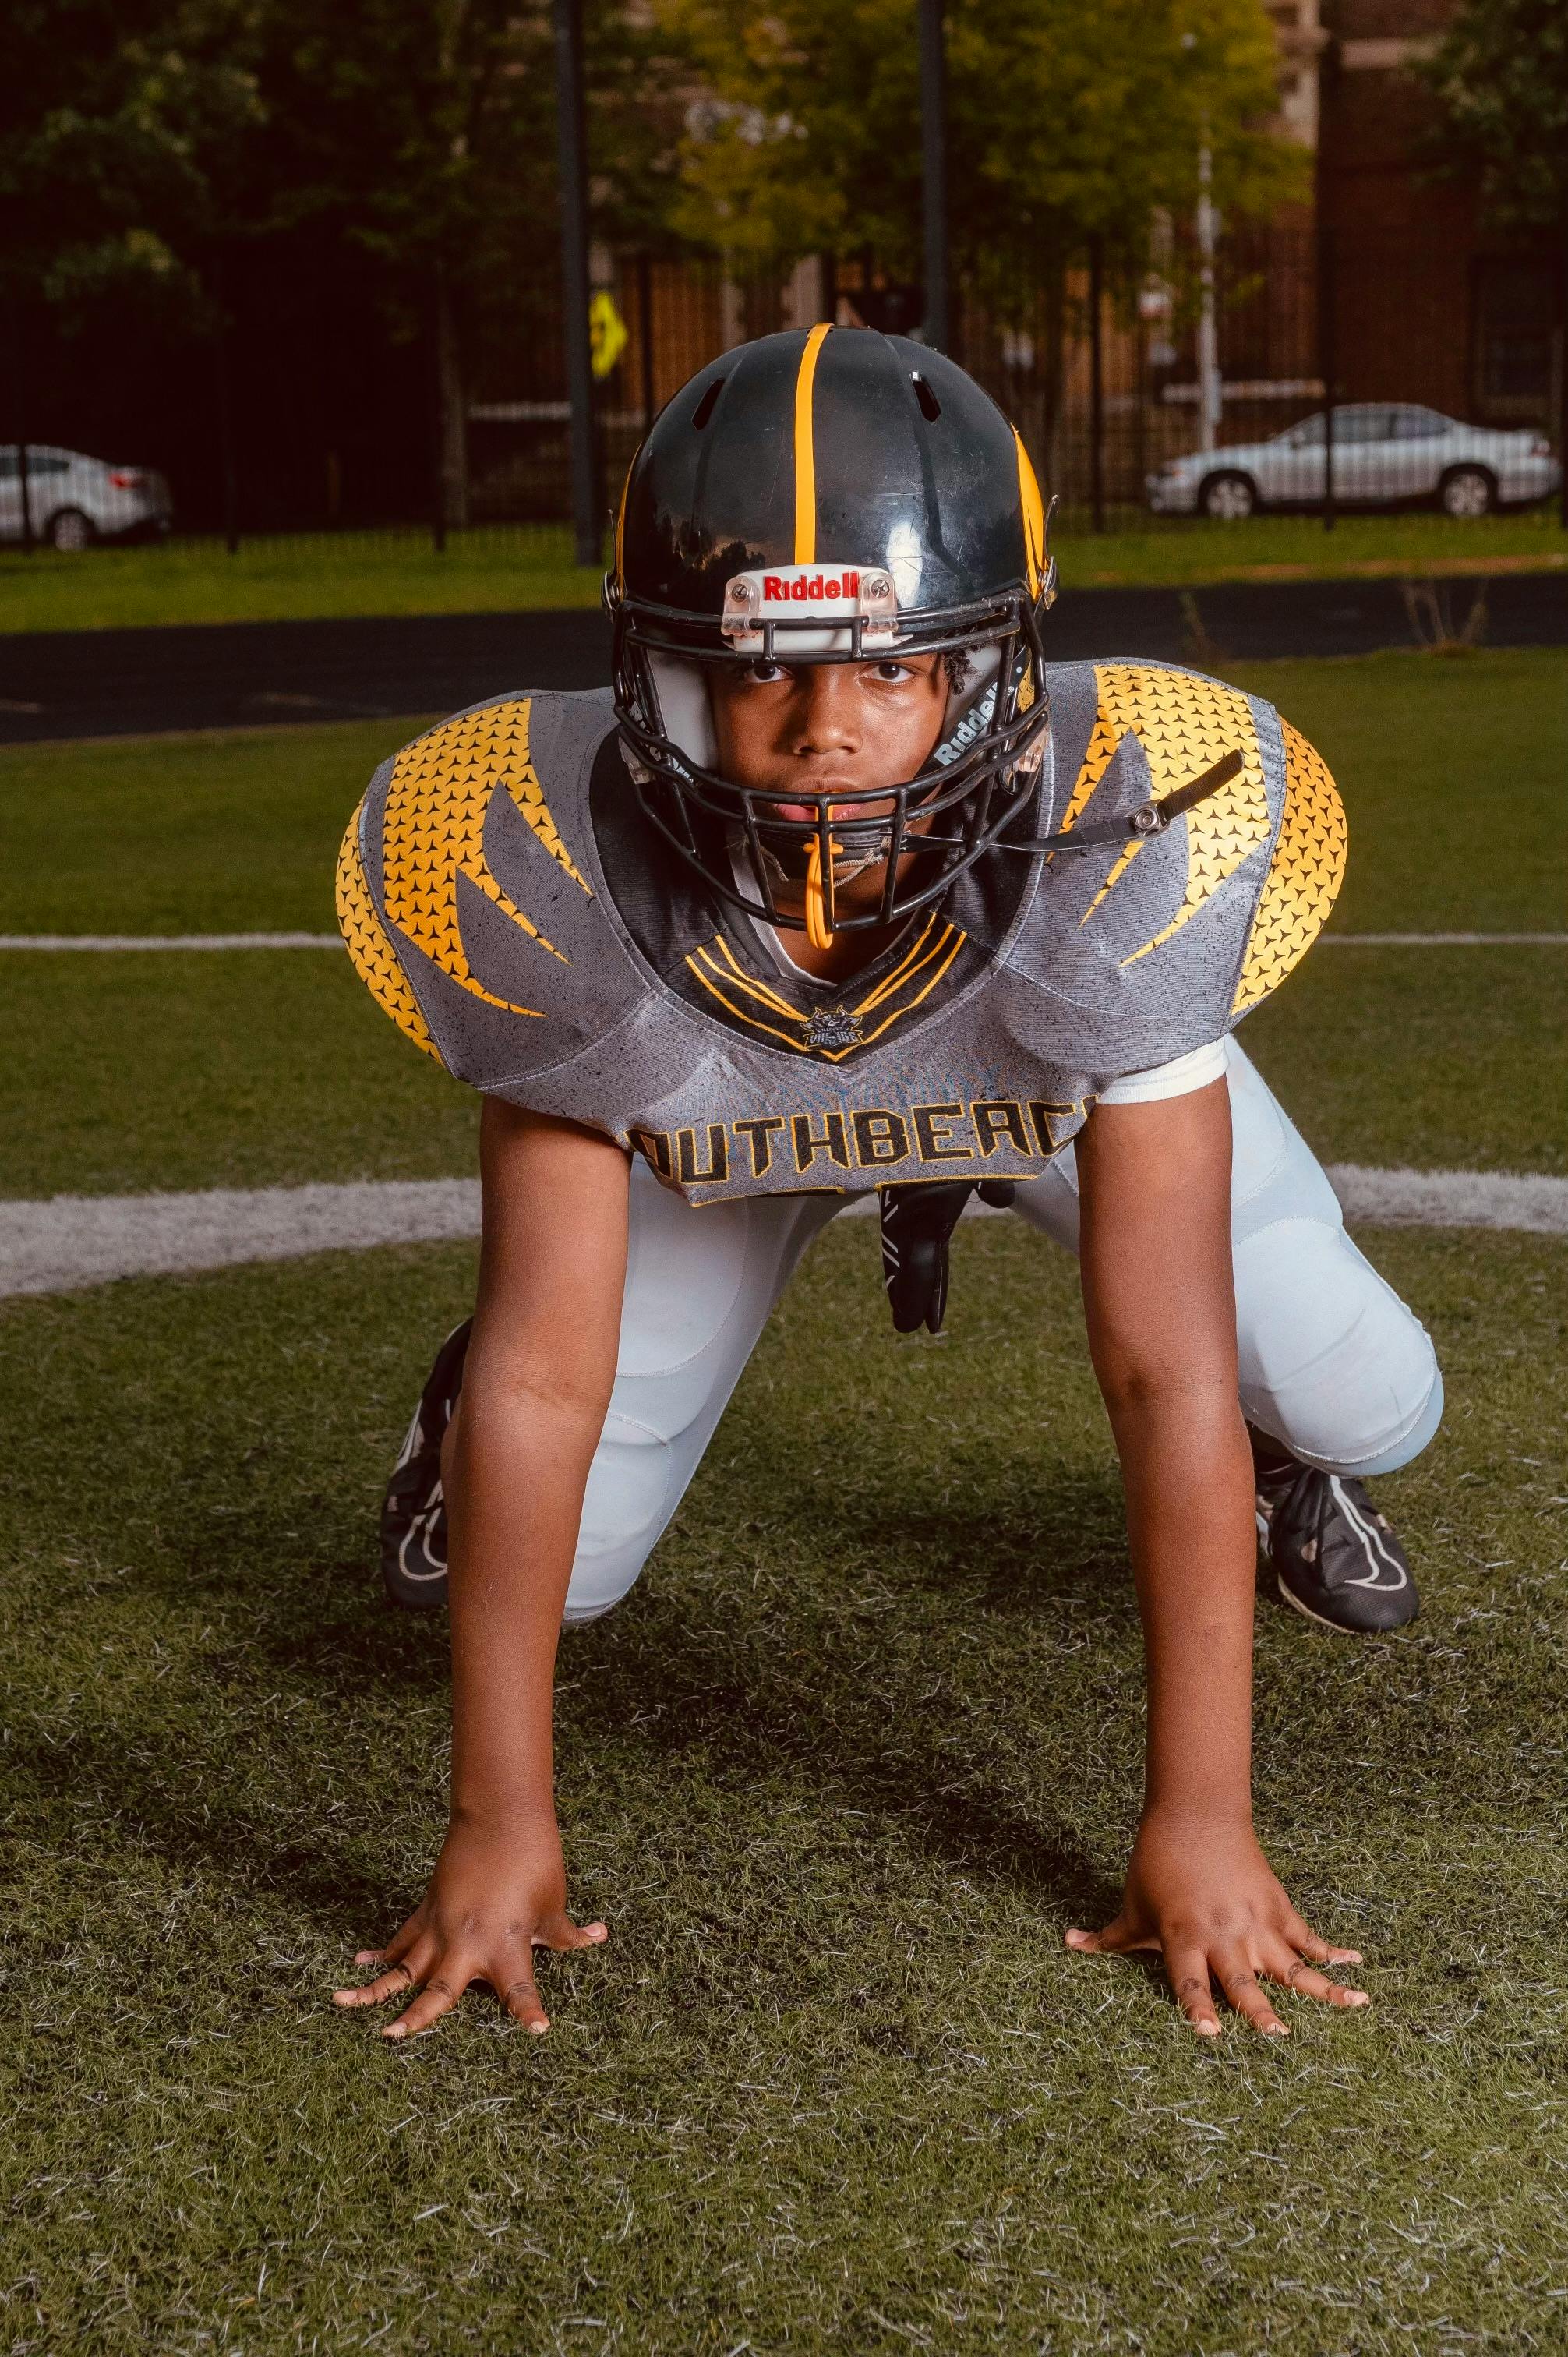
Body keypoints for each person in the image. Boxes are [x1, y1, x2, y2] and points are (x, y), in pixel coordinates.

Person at [331, 327, 1440, 2043]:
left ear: (991, 670)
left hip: (1045, 1079)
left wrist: (1203, 1817)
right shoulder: (554, 868)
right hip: (724, 1116)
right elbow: (550, 1376)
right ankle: (436, 1409)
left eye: (892, 674)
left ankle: (1291, 1461)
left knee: (1376, 1394)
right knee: (566, 1555)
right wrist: (497, 1823)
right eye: (756, 673)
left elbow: (1160, 1364)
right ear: (655, 673)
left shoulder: (1121, 836)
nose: (824, 731)